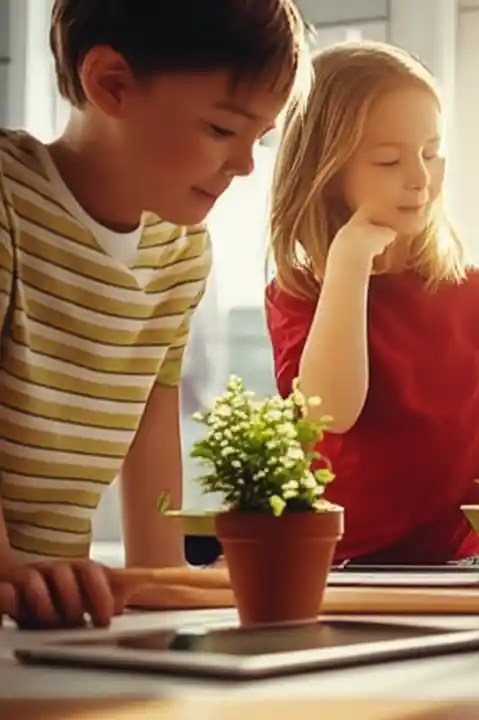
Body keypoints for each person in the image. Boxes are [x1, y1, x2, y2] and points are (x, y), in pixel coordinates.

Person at [0, 0, 306, 629]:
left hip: (47, 612)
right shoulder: (8, 198)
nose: (247, 164)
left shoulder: (180, 251)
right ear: (111, 84)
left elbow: (151, 417)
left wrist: (162, 577)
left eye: (259, 137)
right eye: (221, 129)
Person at [265, 41, 479, 566]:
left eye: (431, 152)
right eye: (390, 160)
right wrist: (349, 263)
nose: (420, 177)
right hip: (338, 569)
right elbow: (329, 413)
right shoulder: (298, 295)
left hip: (460, 569)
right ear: (326, 172)